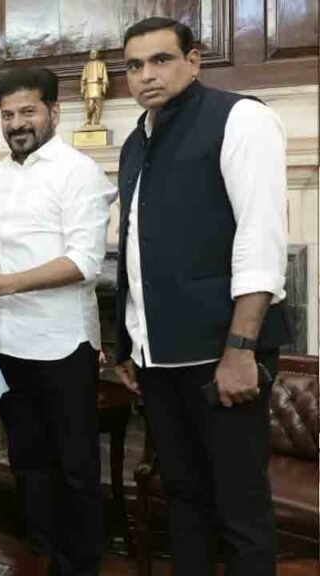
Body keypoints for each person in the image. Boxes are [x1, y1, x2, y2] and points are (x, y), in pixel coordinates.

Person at [115, 17, 288, 576]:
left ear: (194, 59)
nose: (146, 75)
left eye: (161, 60)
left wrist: (242, 349)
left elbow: (260, 240)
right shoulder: (134, 143)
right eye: (135, 65)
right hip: (158, 361)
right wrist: (129, 345)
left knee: (240, 509)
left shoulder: (240, 118)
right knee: (184, 500)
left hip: (224, 357)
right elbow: (138, 248)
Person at [0, 67, 116, 576]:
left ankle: (79, 565)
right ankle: (40, 553)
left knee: (76, 468)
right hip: (5, 342)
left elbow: (84, 262)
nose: (17, 123)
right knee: (27, 461)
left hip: (64, 344)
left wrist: (3, 285)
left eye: (27, 111)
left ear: (53, 113)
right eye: (7, 115)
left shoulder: (78, 171)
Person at [80, 49, 109, 127]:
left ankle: (96, 120)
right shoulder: (87, 65)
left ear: (97, 54)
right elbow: (83, 78)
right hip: (89, 86)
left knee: (98, 105)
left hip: (97, 86)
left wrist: (104, 87)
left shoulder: (101, 64)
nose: (93, 54)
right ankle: (89, 119)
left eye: (94, 53)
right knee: (90, 105)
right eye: (91, 53)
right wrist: (82, 89)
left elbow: (105, 77)